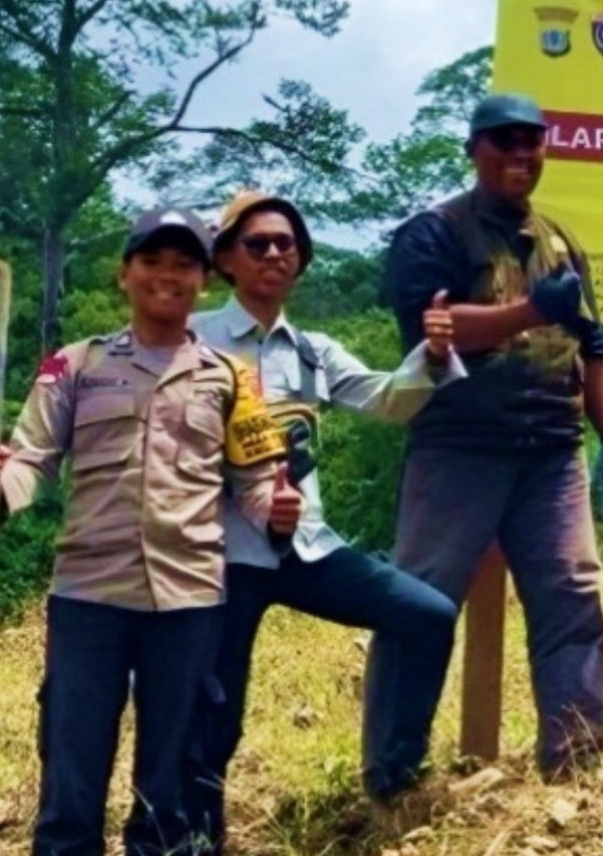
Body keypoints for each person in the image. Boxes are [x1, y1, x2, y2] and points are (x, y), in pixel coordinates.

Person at [0, 207, 295, 856]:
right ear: (124, 274)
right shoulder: (73, 366)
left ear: (204, 279)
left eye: (184, 264)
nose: (167, 275)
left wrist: (276, 511)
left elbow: (255, 481)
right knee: (71, 778)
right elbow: (31, 458)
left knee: (170, 788)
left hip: (190, 600)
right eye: (153, 261)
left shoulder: (232, 378)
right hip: (89, 597)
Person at [180, 191, 463, 845]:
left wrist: (433, 355)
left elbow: (389, 400)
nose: (276, 253)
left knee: (425, 613)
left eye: (288, 244)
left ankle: (394, 779)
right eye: (258, 243)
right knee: (214, 713)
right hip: (221, 557)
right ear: (225, 259)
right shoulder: (194, 338)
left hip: (306, 547)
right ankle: (196, 836)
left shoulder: (311, 350)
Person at [377, 92, 603, 780]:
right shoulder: (433, 235)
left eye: (533, 142)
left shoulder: (560, 242)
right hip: (459, 447)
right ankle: (393, 773)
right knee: (421, 602)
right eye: (504, 141)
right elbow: (431, 334)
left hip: (552, 452)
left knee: (572, 596)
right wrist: (527, 310)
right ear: (474, 149)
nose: (521, 154)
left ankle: (575, 770)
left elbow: (594, 345)